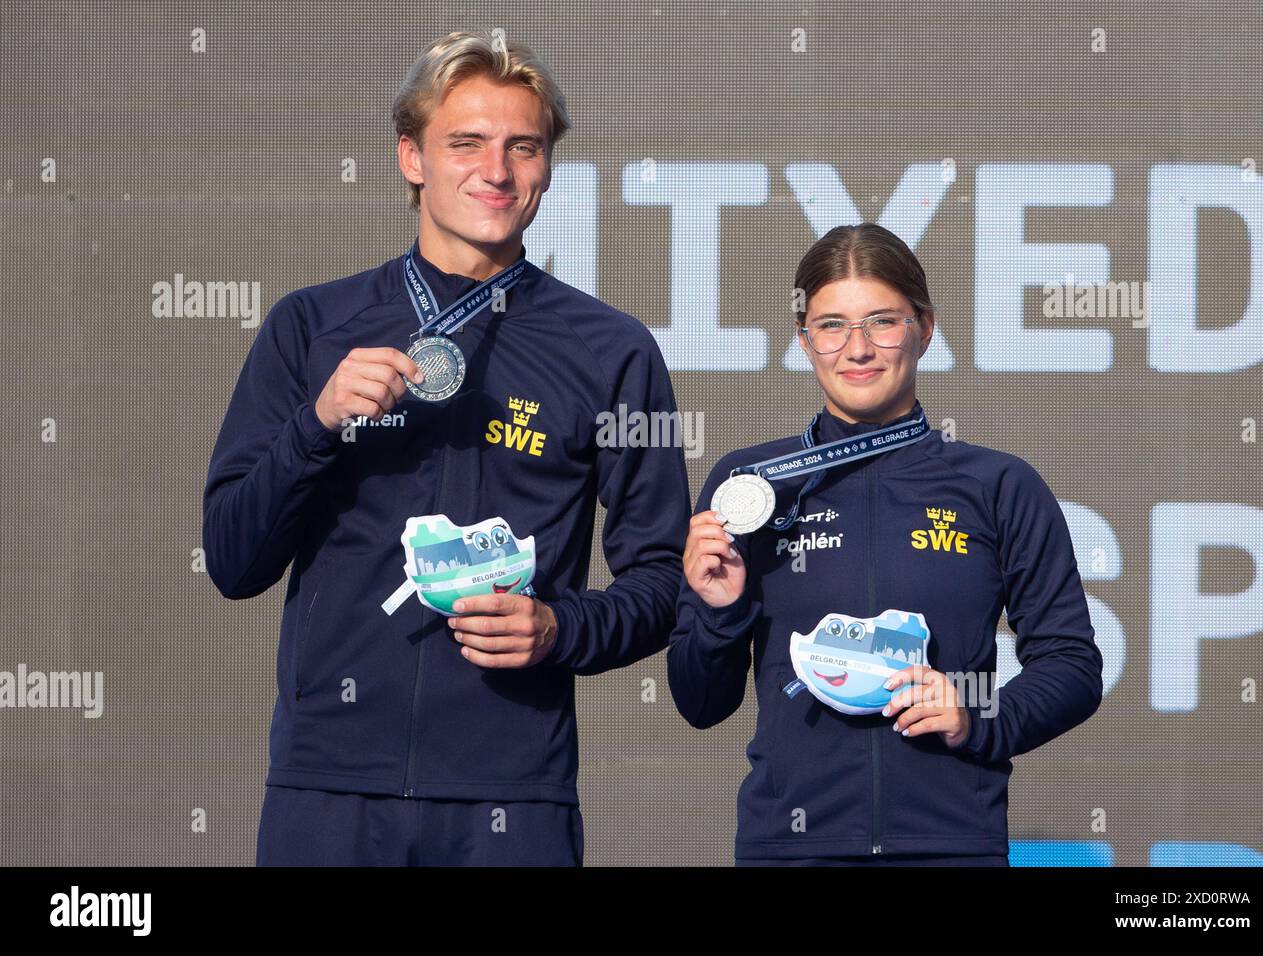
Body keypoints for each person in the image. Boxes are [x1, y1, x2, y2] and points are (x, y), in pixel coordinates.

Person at [203, 31, 690, 866]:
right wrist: (315, 427)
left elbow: (664, 581)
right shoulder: (313, 327)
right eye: (465, 142)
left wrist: (556, 626)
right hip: (328, 788)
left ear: (546, 167)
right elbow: (232, 560)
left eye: (522, 146)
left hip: (512, 796)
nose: (495, 171)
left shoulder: (611, 350)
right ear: (411, 157)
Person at [668, 222, 1103, 866]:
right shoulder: (750, 487)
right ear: (804, 340)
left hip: (951, 846)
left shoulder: (997, 485)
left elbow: (1072, 666)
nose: (858, 348)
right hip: (791, 849)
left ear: (925, 328)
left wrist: (980, 722)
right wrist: (719, 611)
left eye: (883, 321)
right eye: (832, 325)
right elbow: (700, 705)